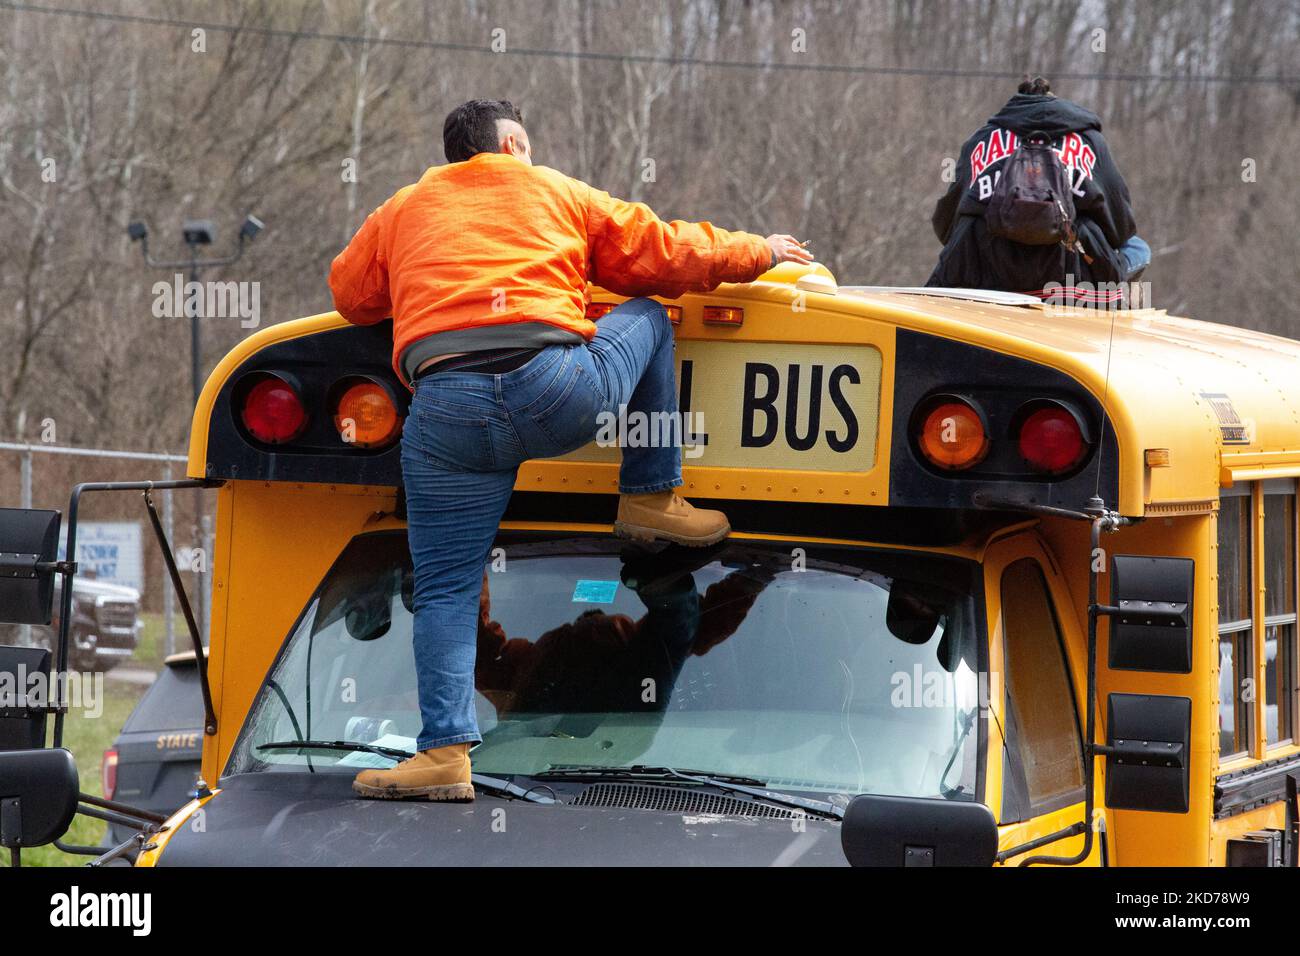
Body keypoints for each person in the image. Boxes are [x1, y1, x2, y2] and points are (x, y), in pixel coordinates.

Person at [329, 99, 812, 801]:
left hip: (445, 410)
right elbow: (666, 254)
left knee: (444, 589)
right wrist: (759, 252)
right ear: (514, 143)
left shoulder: (406, 207)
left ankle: (443, 757)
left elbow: (349, 293)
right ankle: (650, 495)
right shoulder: (555, 190)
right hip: (555, 392)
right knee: (648, 313)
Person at [926, 75, 1150, 305]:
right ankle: (1111, 295)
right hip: (1073, 270)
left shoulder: (982, 139)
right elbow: (1121, 226)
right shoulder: (1090, 141)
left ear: (1016, 103)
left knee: (965, 234)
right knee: (1138, 247)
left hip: (985, 268)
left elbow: (946, 224)